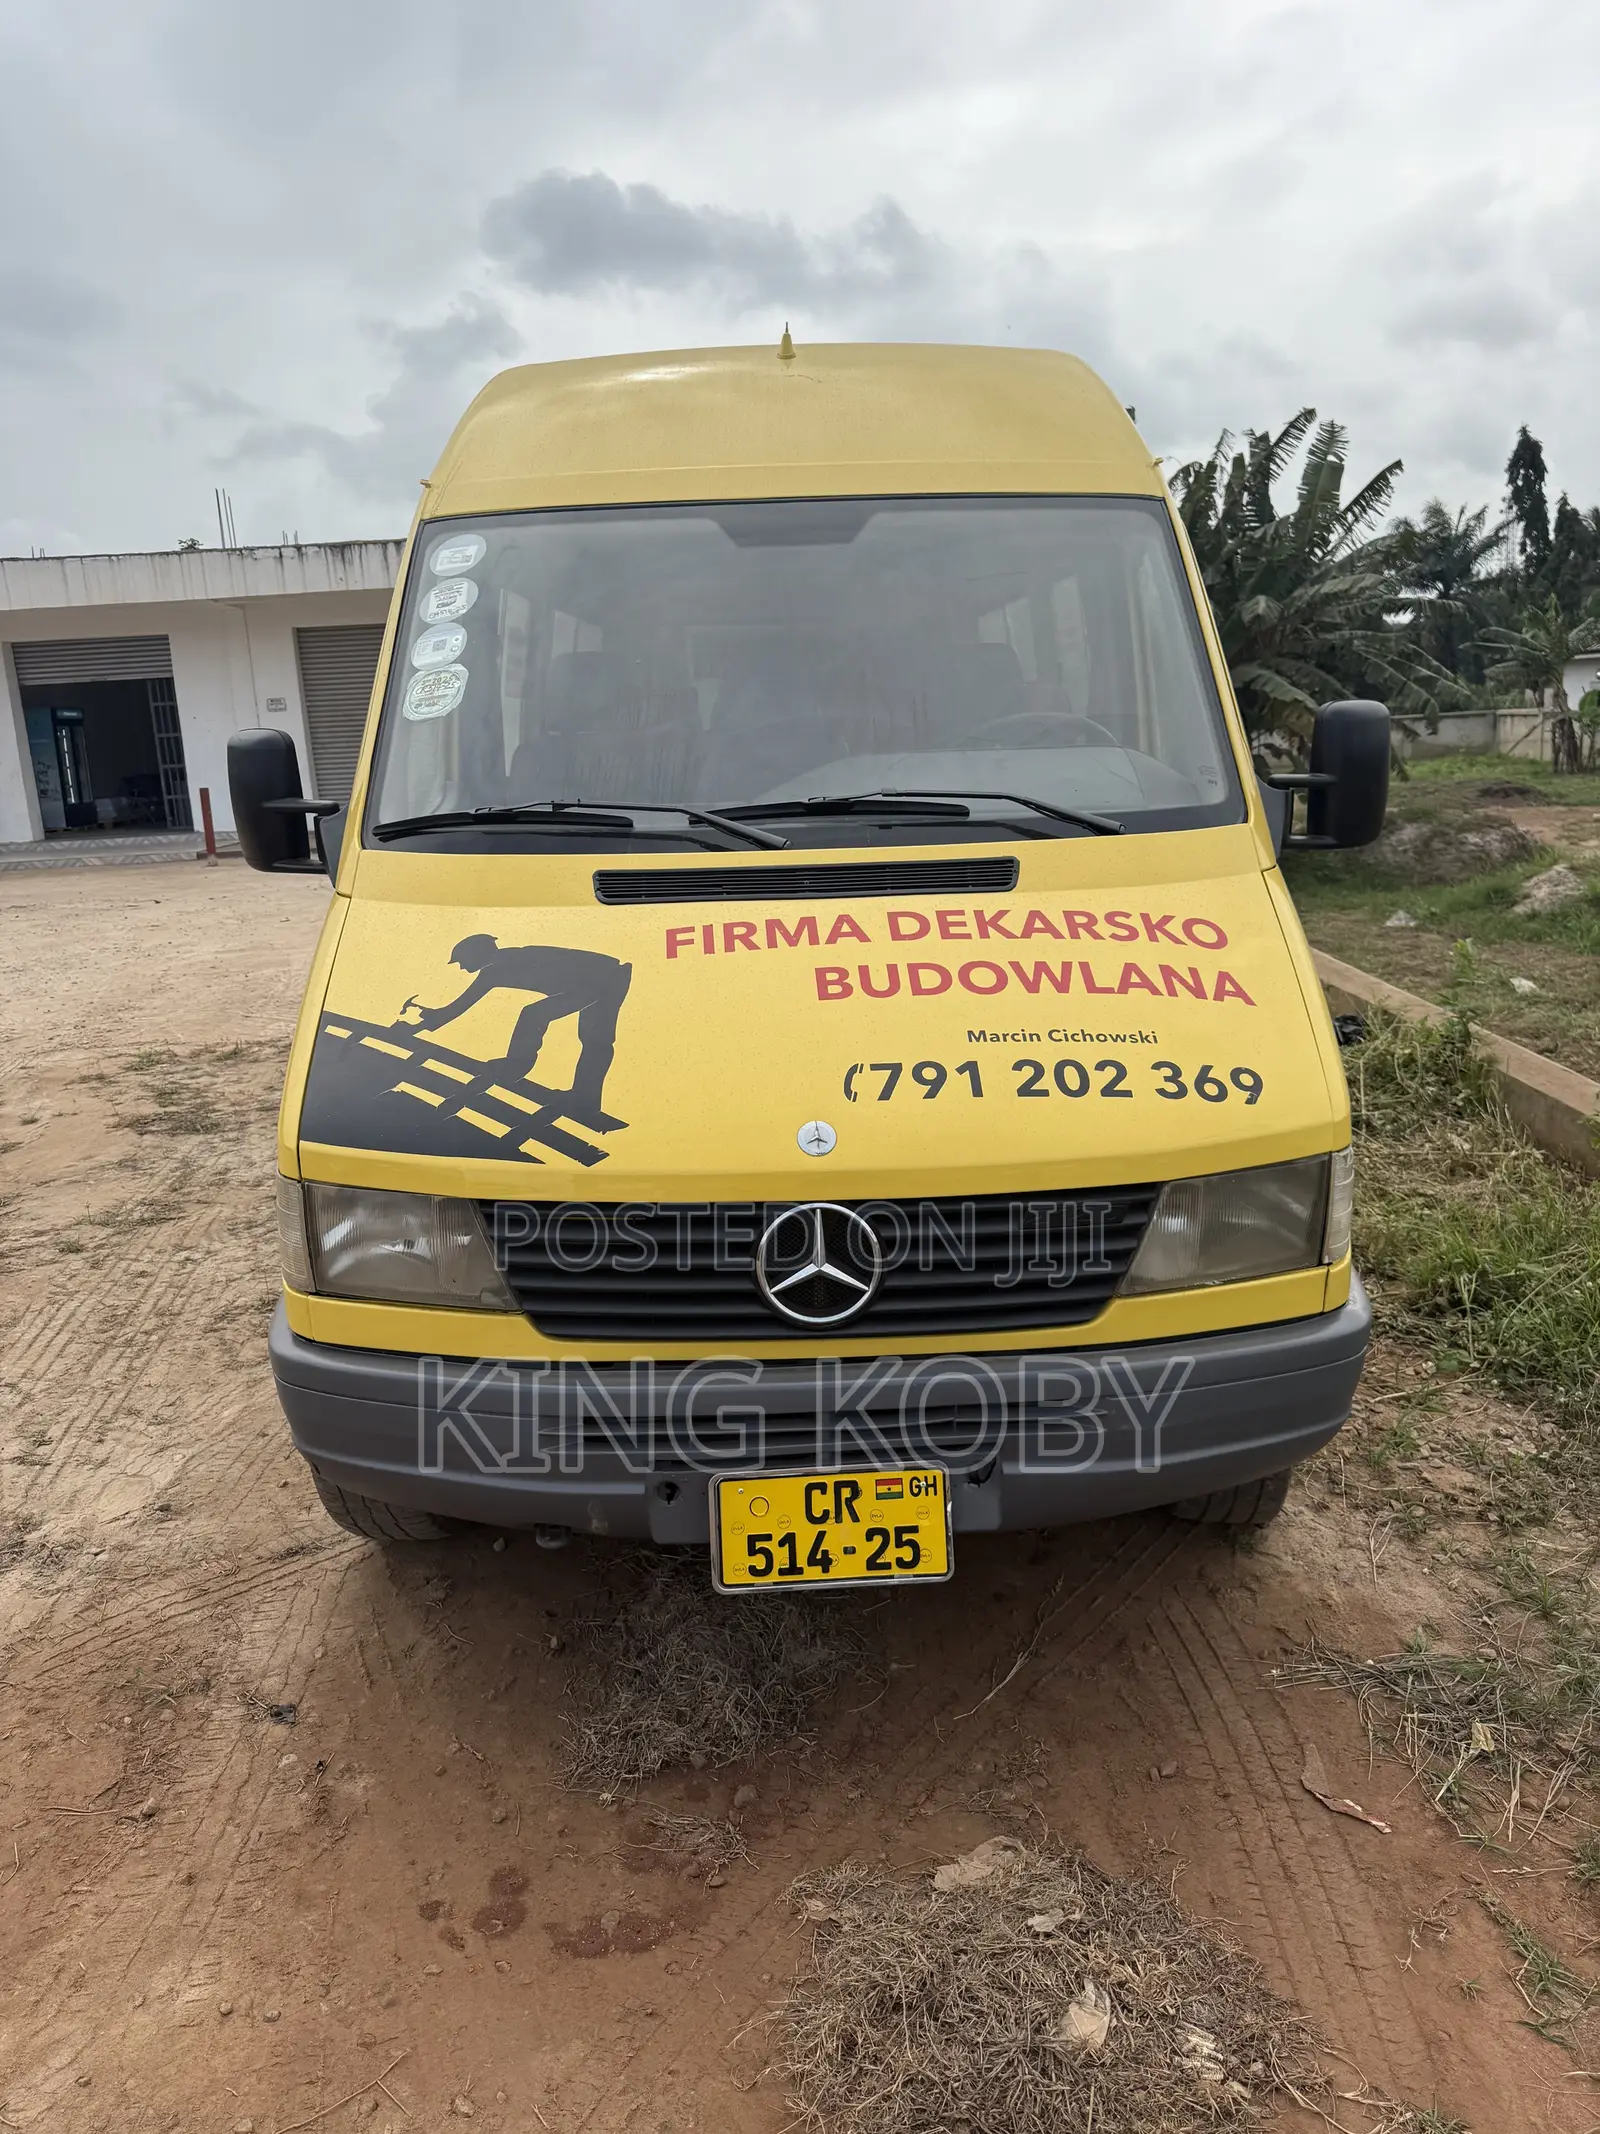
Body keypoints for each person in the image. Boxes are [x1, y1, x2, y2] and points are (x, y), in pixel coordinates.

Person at [403, 934, 632, 1114]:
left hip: (603, 979)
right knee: (593, 1041)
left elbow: (572, 967)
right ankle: (585, 1099)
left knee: (542, 1018)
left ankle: (518, 1066)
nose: (462, 967)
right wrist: (420, 1025)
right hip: (603, 980)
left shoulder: (514, 958)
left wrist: (423, 1025)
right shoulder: (493, 971)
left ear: (479, 953)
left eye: (463, 961)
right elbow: (461, 1005)